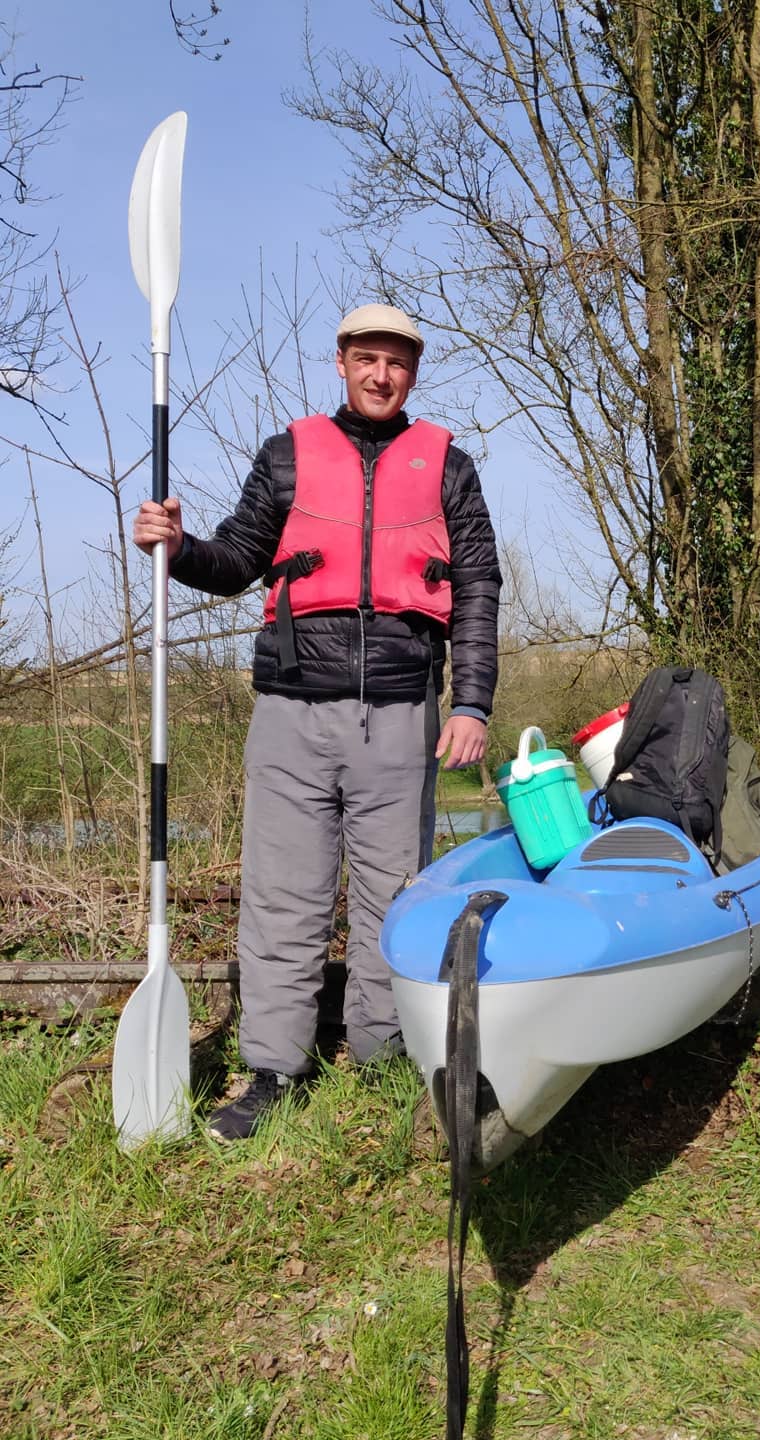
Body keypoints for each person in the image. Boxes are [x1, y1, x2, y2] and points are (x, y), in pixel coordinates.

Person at [133, 303, 502, 1141]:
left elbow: (477, 586)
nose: (381, 374)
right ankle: (274, 1070)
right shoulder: (287, 456)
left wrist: (472, 703)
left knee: (395, 904)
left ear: (413, 371)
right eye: (367, 358)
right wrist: (179, 547)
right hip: (292, 712)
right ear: (341, 362)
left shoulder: (449, 465)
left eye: (397, 363)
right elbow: (234, 560)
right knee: (282, 901)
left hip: (404, 713)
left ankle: (379, 1061)